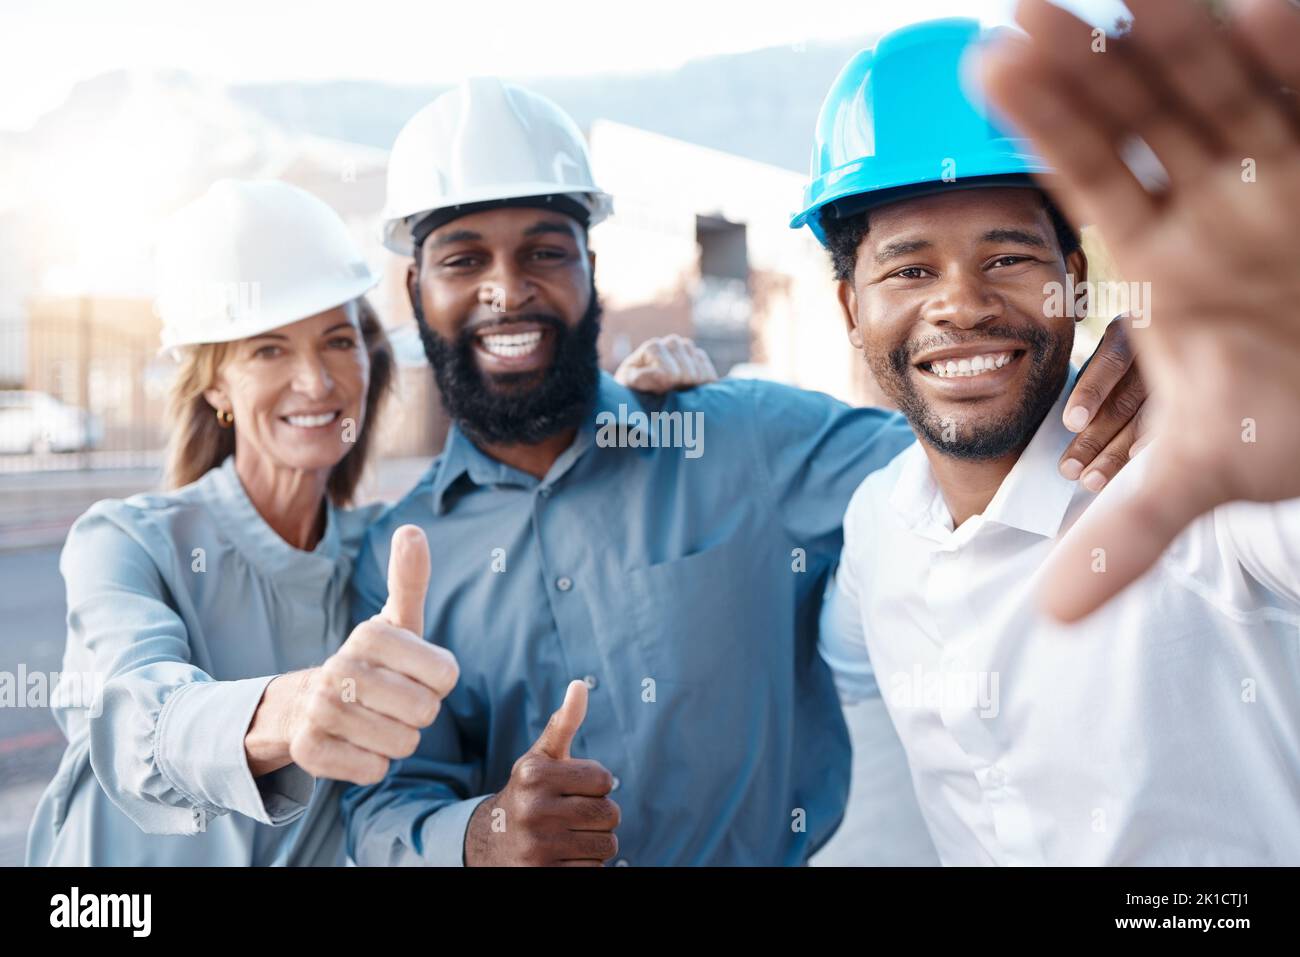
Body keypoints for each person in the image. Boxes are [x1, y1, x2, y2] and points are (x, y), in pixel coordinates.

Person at [341, 78, 1149, 866]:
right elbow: (378, 805)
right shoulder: (391, 557)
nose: (507, 289)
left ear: (591, 269)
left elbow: (979, 430)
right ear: (416, 288)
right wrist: (480, 837)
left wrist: (1144, 374)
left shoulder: (744, 440)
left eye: (545, 252)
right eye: (463, 259)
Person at [23, 179, 695, 866]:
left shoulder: (384, 559)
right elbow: (135, 718)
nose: (315, 381)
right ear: (215, 383)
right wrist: (298, 708)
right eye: (269, 349)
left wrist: (622, 411)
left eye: (337, 340)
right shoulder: (126, 541)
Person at [812, 14, 1300, 864]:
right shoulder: (875, 524)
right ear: (852, 309)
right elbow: (854, 698)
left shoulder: (1206, 485)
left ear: (1074, 282)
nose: (961, 305)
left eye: (1008, 259)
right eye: (909, 268)